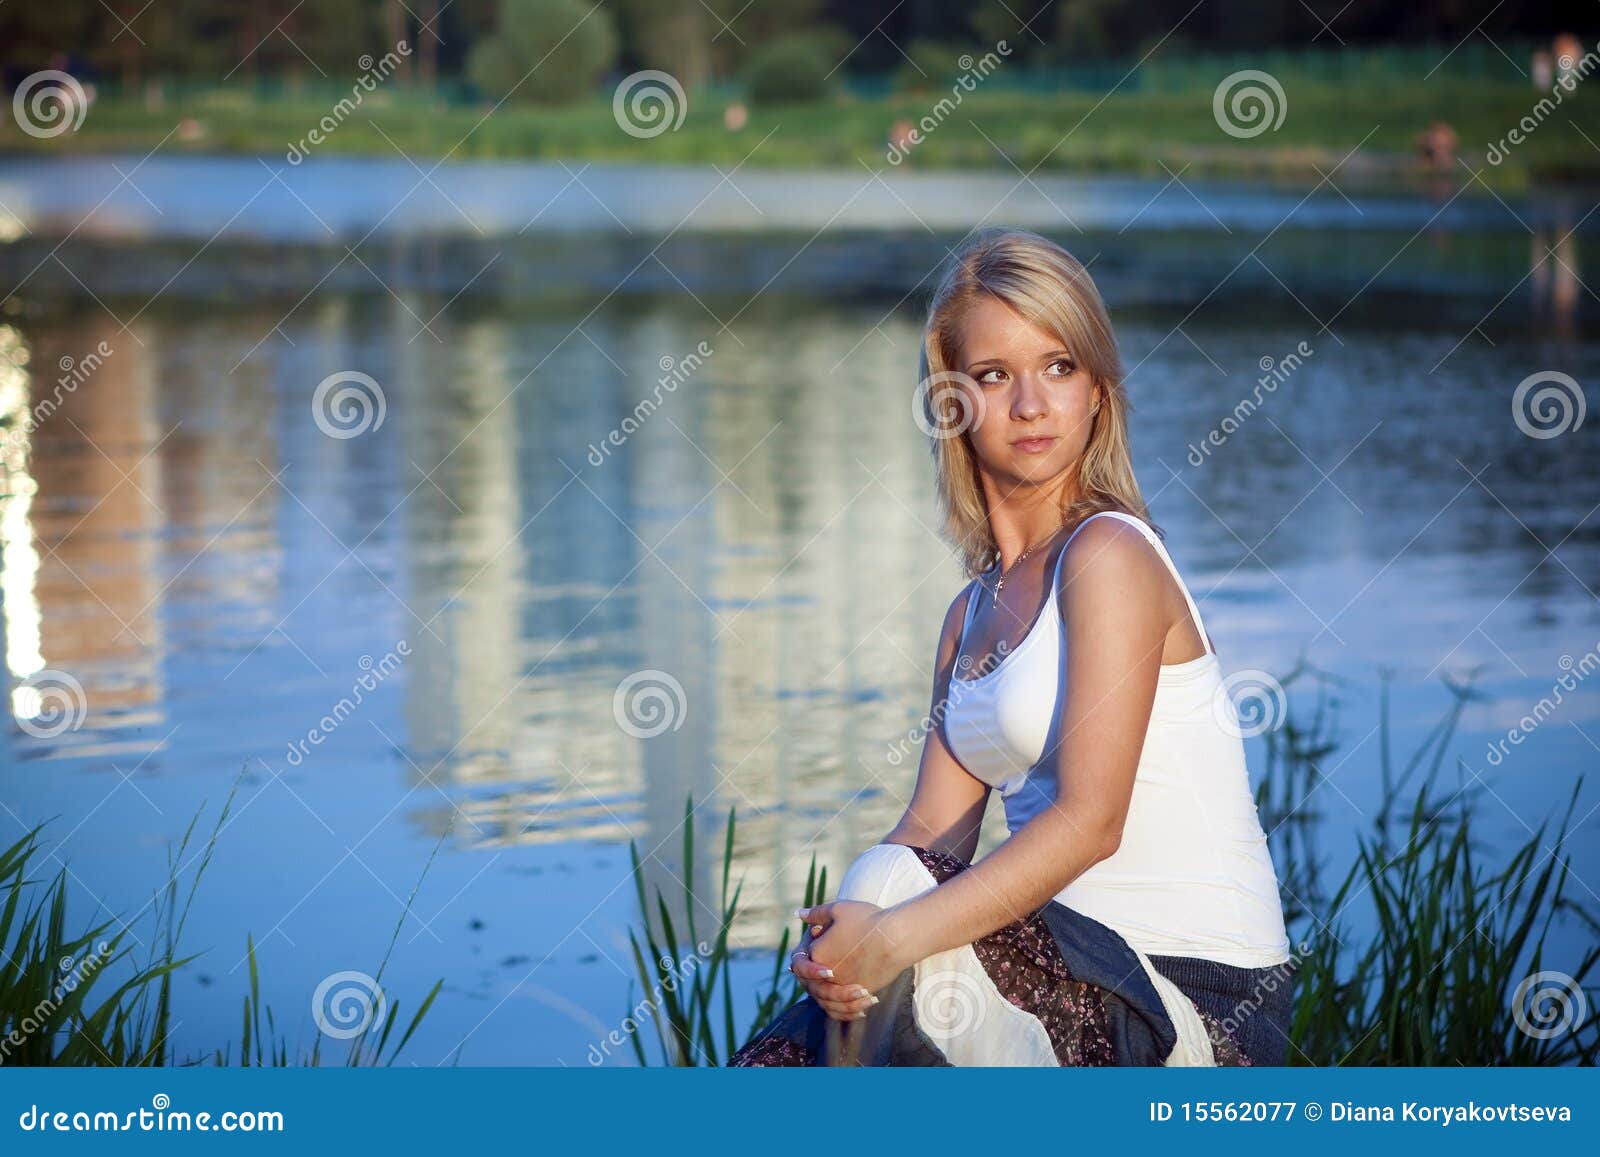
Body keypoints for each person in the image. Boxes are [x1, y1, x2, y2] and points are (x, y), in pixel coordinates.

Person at [729, 228, 1296, 1067]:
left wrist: (889, 942)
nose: (1032, 403)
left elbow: (1091, 823)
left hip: (1194, 1001)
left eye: (1059, 366)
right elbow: (929, 835)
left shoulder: (1109, 556)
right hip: (1063, 975)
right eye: (995, 375)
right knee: (881, 881)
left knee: (891, 911)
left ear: (1098, 390)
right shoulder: (969, 615)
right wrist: (846, 942)